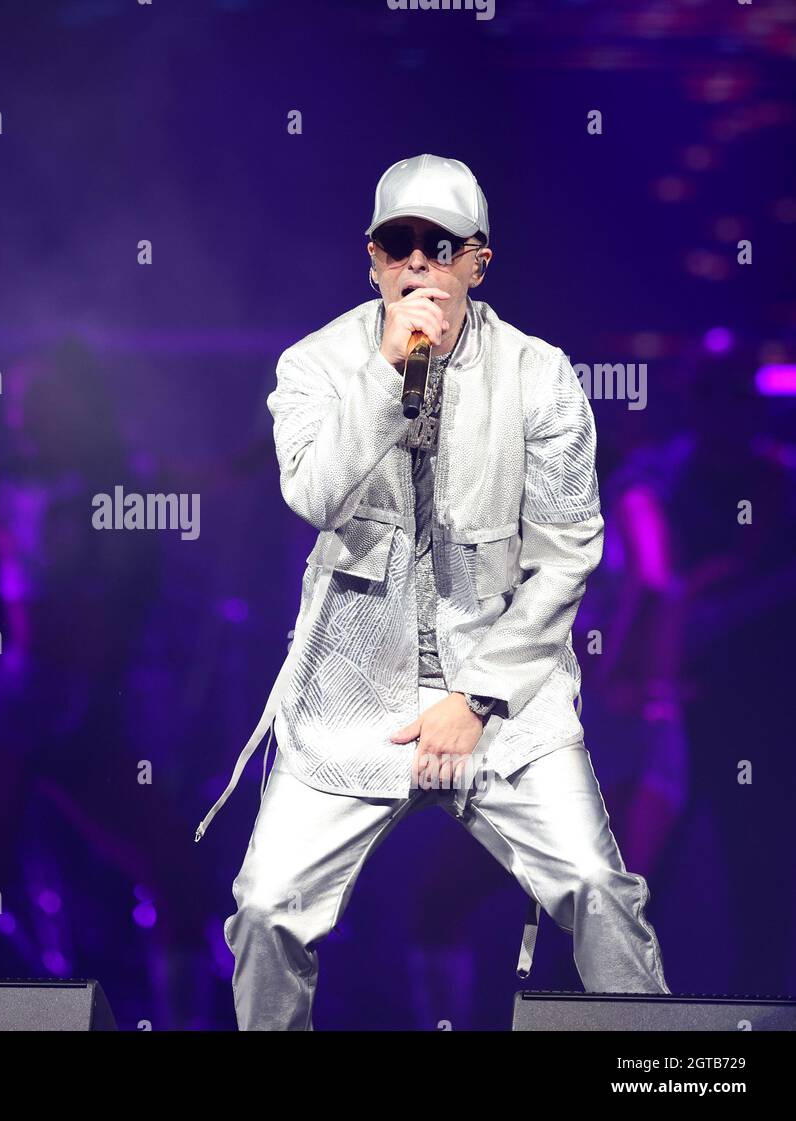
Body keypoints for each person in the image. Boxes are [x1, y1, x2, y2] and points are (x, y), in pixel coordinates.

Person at [196, 154, 670, 1030]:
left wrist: (479, 696)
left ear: (477, 261)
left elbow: (567, 557)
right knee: (264, 911)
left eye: (439, 245)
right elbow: (313, 496)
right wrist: (384, 373)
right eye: (397, 244)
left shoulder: (541, 376)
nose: (418, 263)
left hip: (502, 698)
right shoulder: (315, 365)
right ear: (373, 259)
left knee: (601, 889)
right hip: (349, 696)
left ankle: (659, 1076)